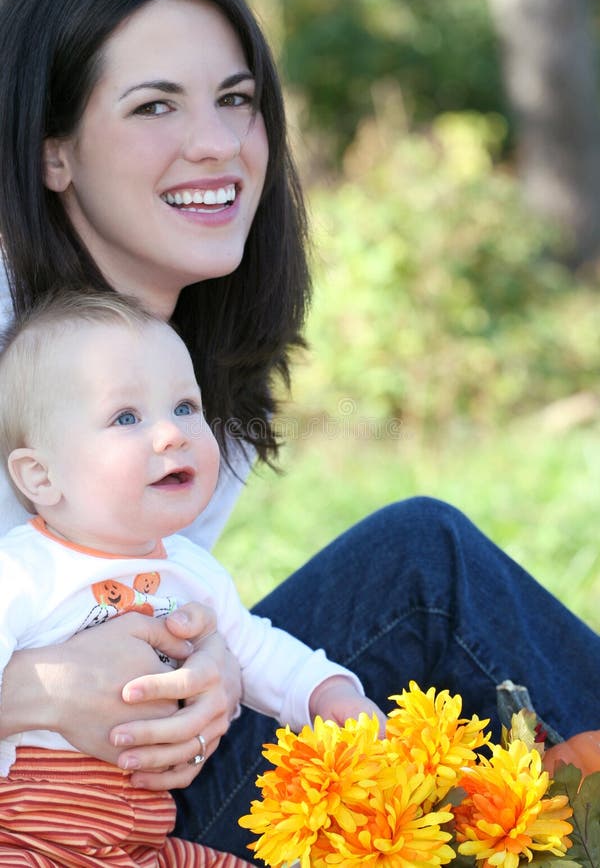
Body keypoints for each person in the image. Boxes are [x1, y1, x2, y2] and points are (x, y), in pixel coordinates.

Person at [0, 0, 597, 863]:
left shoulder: (197, 384)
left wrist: (214, 676)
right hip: (34, 827)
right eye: (154, 107)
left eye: (235, 99)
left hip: (150, 807)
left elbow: (190, 610)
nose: (216, 143)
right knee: (421, 565)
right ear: (54, 150)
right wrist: (33, 689)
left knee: (418, 560)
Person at [0, 290, 381, 866]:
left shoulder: (189, 569)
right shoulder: (24, 572)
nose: (172, 433)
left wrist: (329, 691)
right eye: (126, 417)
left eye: (185, 406)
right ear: (42, 476)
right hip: (28, 835)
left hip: (144, 842)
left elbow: (254, 650)